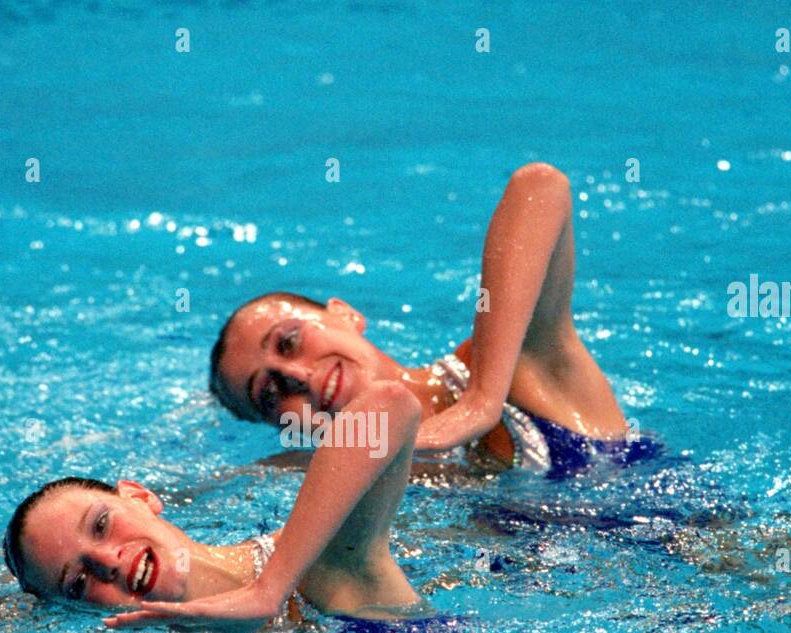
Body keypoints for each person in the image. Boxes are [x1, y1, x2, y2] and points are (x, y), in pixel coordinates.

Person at [208, 162, 660, 479]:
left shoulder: (516, 372)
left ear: (346, 315)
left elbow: (540, 187)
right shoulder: (331, 487)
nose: (296, 376)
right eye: (269, 395)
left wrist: (481, 402)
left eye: (288, 342)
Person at [1, 382, 431, 631]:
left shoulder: (318, 561)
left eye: (100, 525)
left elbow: (388, 406)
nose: (107, 562)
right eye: (78, 583)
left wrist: (268, 592)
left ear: (140, 497)